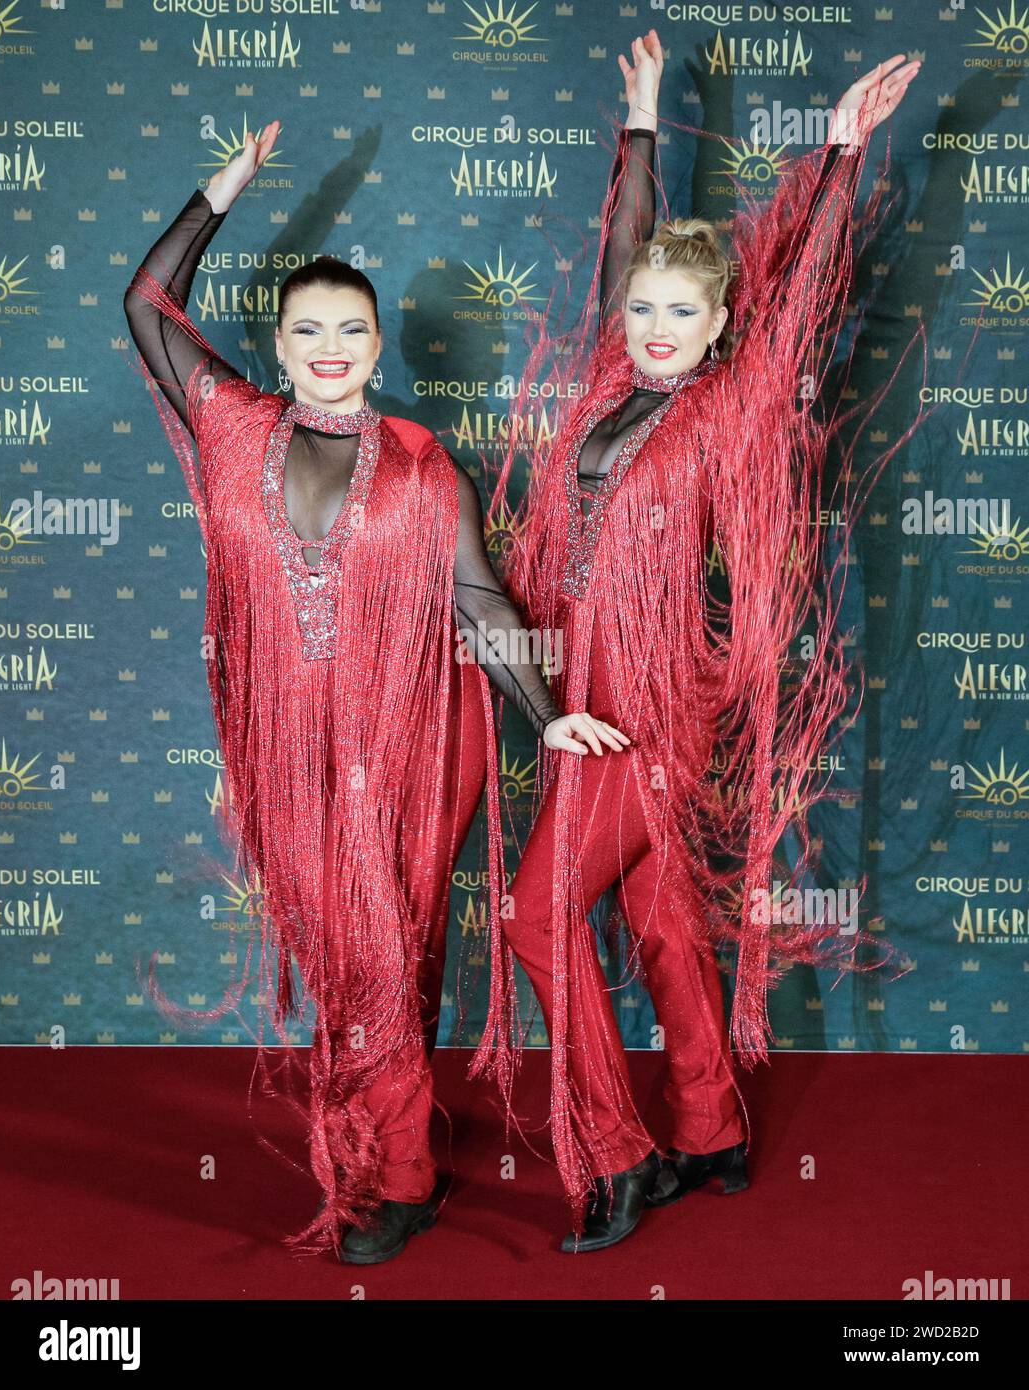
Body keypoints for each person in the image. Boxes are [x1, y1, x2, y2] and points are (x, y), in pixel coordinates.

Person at [122, 120, 620, 1263]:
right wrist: (224, 188)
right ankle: (386, 1141)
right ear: (279, 345)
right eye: (309, 329)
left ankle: (396, 1174)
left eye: (352, 328)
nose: (330, 345)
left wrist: (552, 718)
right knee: (351, 951)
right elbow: (148, 308)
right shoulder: (229, 424)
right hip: (291, 754)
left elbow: (479, 600)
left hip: (414, 746)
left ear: (378, 344)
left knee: (388, 946)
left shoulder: (417, 461)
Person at [473, 33, 923, 1251]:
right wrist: (637, 117)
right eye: (643, 308)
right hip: (576, 681)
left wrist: (837, 149)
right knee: (664, 919)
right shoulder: (608, 383)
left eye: (684, 309)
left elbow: (804, 290)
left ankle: (617, 1156)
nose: (657, 324)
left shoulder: (733, 399)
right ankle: (711, 1126)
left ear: (721, 318)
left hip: (647, 699)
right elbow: (624, 242)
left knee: (531, 917)